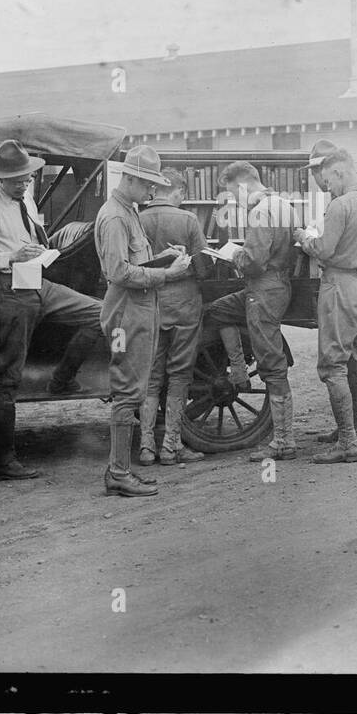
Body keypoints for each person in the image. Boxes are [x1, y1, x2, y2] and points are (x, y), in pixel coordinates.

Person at [0, 139, 104, 481]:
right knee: (9, 377)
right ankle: (5, 460)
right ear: (0, 179)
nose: (23, 183)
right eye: (16, 179)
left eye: (27, 177)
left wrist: (37, 252)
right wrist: (10, 257)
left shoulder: (26, 197)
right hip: (7, 290)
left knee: (101, 314)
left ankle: (61, 380)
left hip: (36, 282)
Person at [95, 146, 192, 496]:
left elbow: (137, 261)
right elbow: (118, 271)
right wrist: (168, 273)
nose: (152, 192)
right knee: (126, 393)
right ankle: (118, 473)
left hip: (135, 310)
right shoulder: (117, 217)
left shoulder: (129, 211)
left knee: (133, 390)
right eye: (148, 184)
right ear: (131, 178)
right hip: (126, 313)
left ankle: (120, 470)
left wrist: (165, 257)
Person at [294, 148, 357, 463]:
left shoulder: (339, 205)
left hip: (340, 287)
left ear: (341, 172)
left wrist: (304, 238)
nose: (326, 185)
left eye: (328, 178)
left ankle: (348, 442)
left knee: (332, 366)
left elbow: (324, 250)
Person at [206, 161, 302, 462]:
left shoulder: (261, 211)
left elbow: (253, 262)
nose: (234, 200)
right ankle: (237, 369)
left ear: (242, 184)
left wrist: (233, 253)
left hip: (263, 289)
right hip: (276, 285)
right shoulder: (284, 205)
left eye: (233, 193)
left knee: (272, 364)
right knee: (220, 309)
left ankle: (284, 441)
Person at [137, 168, 207, 466]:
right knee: (180, 375)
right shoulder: (189, 220)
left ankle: (145, 447)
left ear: (154, 190)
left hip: (150, 304)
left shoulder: (137, 219)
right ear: (177, 191)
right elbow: (203, 266)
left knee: (151, 378)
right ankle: (171, 447)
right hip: (184, 307)